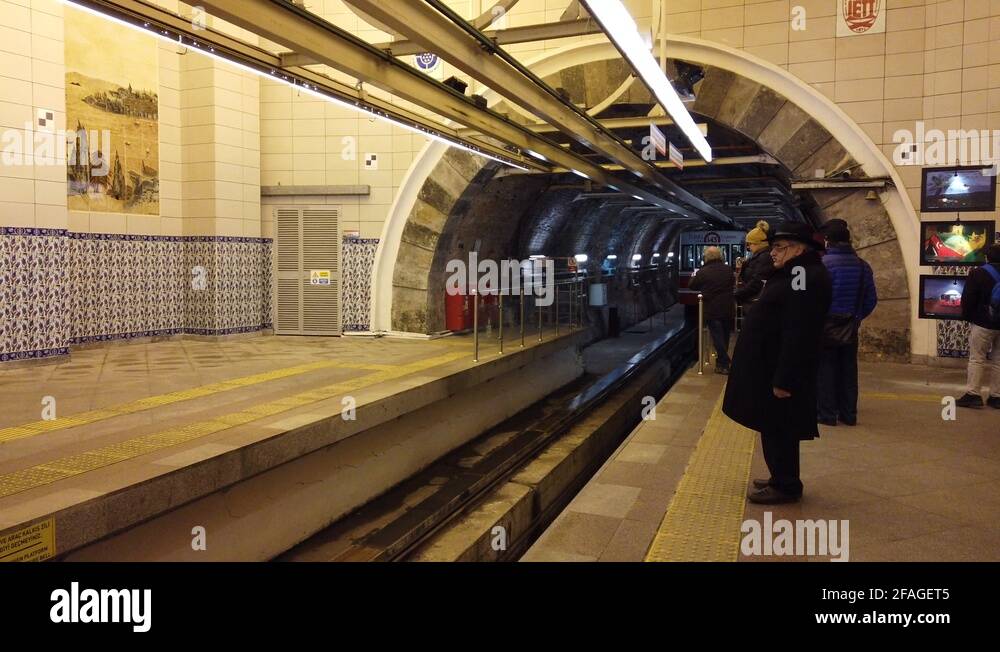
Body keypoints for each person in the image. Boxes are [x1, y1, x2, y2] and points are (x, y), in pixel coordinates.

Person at [723, 222, 832, 504]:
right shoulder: (797, 272)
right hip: (771, 366)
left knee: (780, 427)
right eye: (773, 247)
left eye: (780, 248)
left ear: (800, 248)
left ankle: (786, 485)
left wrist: (785, 378)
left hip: (780, 370)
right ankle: (779, 476)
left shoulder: (804, 276)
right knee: (774, 426)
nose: (773, 253)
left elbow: (800, 330)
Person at [816, 223, 878, 426]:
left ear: (828, 241)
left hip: (826, 325)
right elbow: (871, 299)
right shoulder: (863, 266)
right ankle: (849, 414)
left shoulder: (823, 265)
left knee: (826, 369)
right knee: (849, 371)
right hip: (851, 325)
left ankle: (827, 414)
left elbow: (814, 298)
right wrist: (857, 317)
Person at [956, 243, 1000, 409]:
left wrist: (969, 318)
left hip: (983, 323)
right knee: (999, 361)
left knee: (977, 358)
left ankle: (973, 394)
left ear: (987, 257)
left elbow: (968, 299)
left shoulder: (978, 273)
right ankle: (996, 397)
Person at [688, 246, 735, 374]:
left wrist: (694, 275)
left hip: (712, 308)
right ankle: (721, 364)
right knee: (724, 336)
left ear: (706, 257)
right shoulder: (728, 269)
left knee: (717, 336)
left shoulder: (703, 271)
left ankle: (724, 361)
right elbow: (733, 283)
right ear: (720, 255)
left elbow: (692, 286)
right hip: (727, 307)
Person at [734, 220, 775, 315]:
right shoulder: (758, 256)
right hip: (753, 300)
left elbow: (757, 282)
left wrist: (738, 294)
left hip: (756, 302)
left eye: (750, 244)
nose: (748, 247)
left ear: (758, 243)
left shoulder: (764, 257)